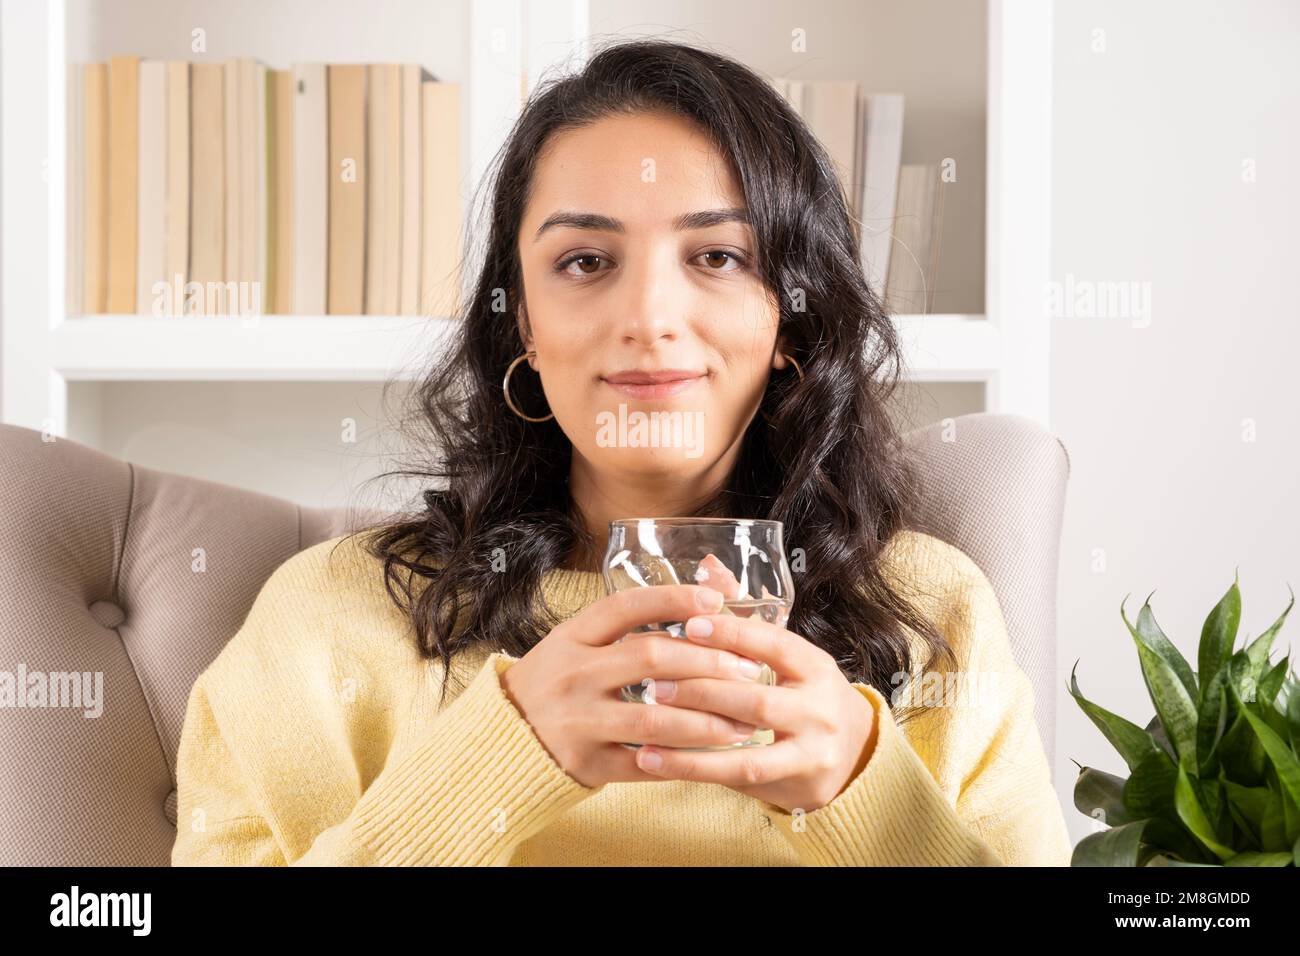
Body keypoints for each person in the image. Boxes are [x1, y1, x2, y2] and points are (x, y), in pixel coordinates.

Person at [171, 39, 1073, 866]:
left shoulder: (933, 613)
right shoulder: (330, 617)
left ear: (791, 317)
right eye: (585, 262)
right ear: (520, 319)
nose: (647, 318)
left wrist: (865, 791)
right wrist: (499, 765)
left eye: (717, 256)